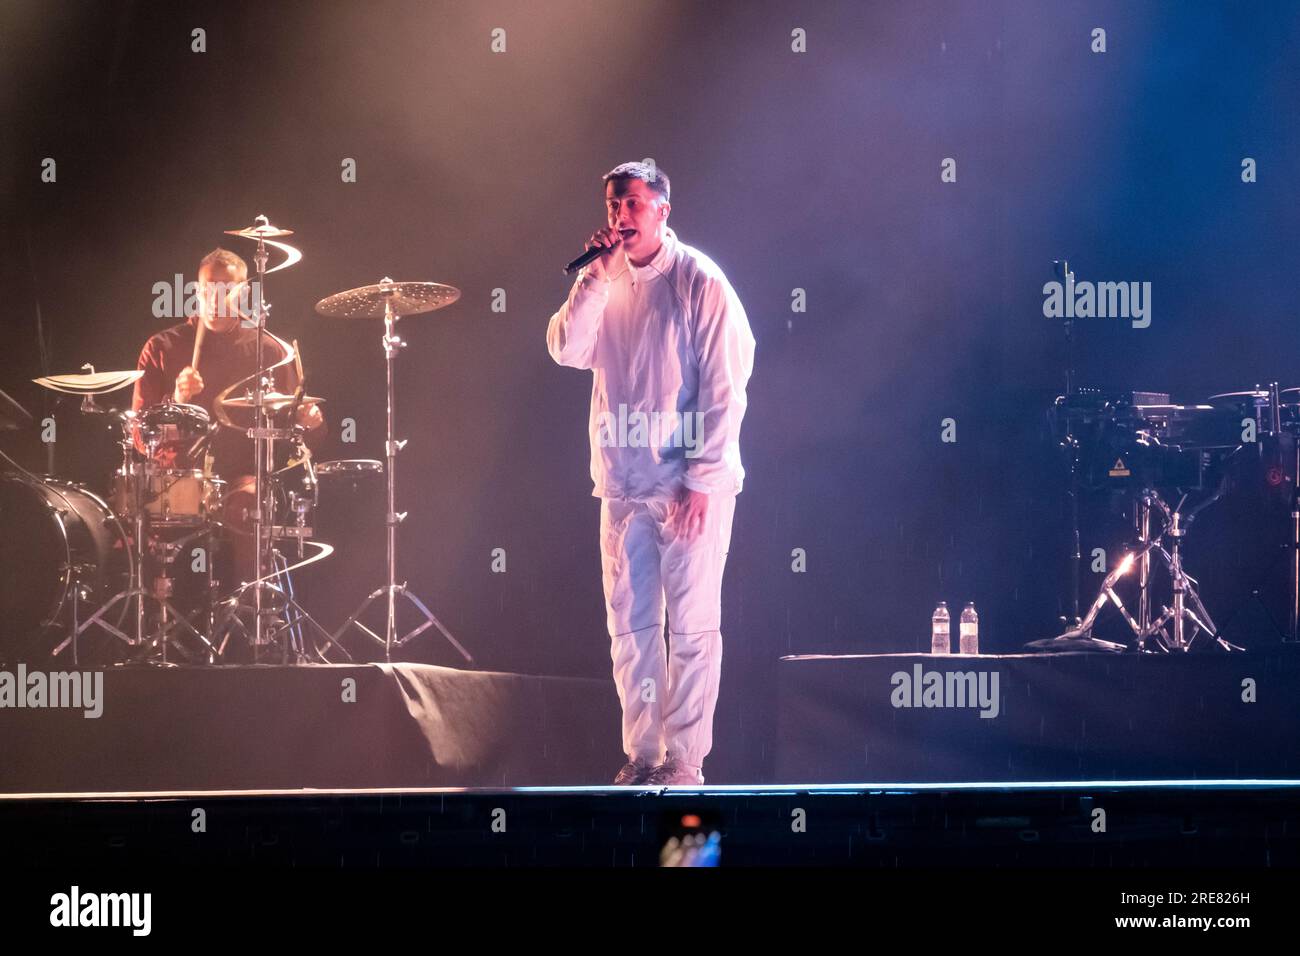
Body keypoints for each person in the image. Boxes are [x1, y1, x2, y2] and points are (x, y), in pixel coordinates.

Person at [546, 162, 755, 785]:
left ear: (664, 209)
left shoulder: (700, 281)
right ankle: (644, 756)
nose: (621, 216)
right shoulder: (604, 280)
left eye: (634, 203)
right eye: (614, 205)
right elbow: (566, 349)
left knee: (691, 625)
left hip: (688, 486)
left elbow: (727, 387)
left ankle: (686, 762)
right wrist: (593, 277)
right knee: (631, 629)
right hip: (621, 481)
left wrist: (704, 479)